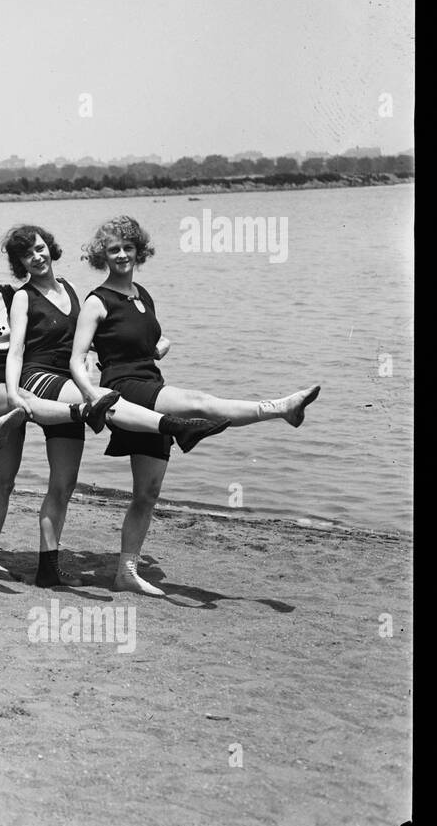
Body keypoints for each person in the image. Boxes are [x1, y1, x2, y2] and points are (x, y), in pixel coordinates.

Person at [69, 215, 320, 595]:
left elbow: (136, 343)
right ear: (102, 255)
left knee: (147, 494)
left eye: (127, 248)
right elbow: (77, 359)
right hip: (124, 390)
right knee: (199, 403)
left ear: (139, 251)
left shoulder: (143, 296)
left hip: (150, 383)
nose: (121, 255)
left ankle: (125, 572)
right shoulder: (96, 301)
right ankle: (281, 408)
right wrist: (94, 396)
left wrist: (157, 347)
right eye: (113, 249)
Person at [2, 224, 230, 586]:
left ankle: (47, 570)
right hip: (40, 379)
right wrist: (14, 393)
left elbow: (88, 341)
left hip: (71, 386)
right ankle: (173, 426)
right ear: (20, 263)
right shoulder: (23, 298)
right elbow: (16, 351)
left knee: (63, 484)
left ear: (51, 249)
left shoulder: (72, 290)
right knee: (106, 399)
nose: (37, 257)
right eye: (28, 254)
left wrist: (147, 348)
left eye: (41, 248)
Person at [0, 230, 111, 580]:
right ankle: (81, 410)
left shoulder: (15, 296)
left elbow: (53, 332)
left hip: (24, 382)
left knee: (33, 481)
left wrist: (91, 360)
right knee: (10, 448)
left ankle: (17, 561)